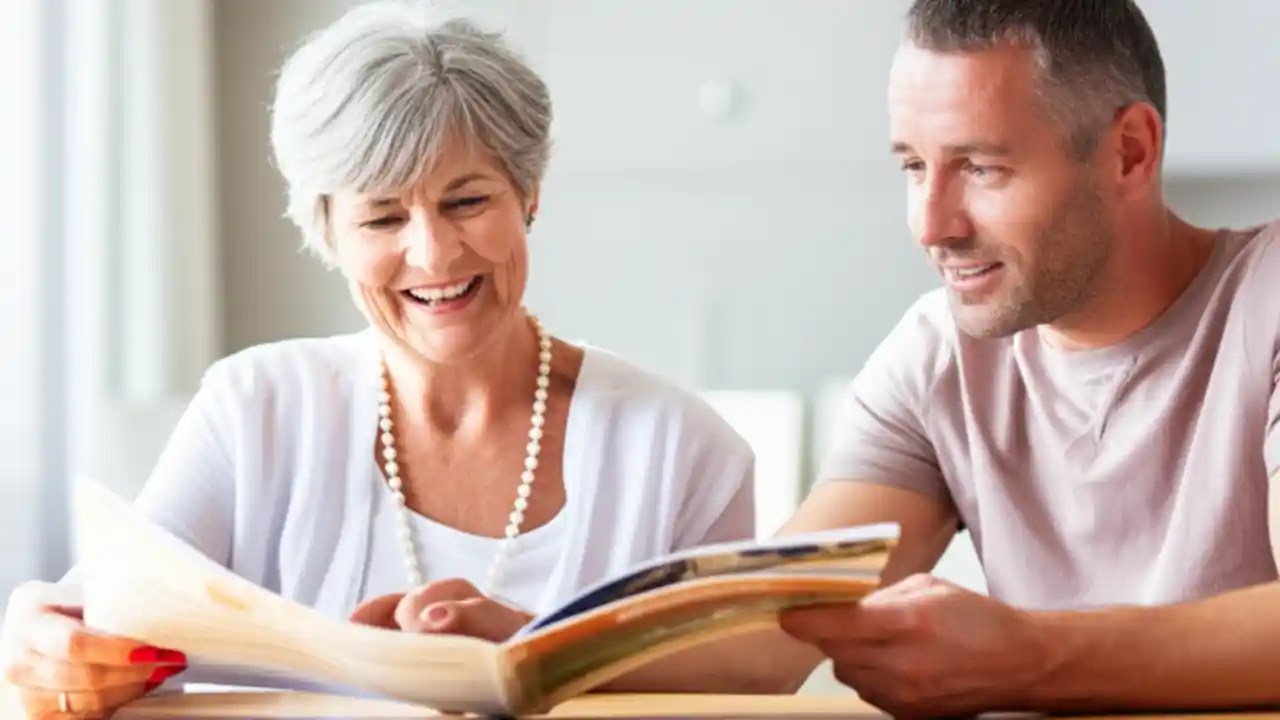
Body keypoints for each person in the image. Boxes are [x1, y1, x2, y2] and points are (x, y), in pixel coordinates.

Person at [386, 0, 1280, 715]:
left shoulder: (1266, 301)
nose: (931, 225)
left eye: (981, 168)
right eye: (911, 166)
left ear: (1129, 151)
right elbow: (777, 632)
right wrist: (534, 645)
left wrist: (1030, 658)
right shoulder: (939, 359)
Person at [0, 3, 757, 718]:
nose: (432, 252)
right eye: (382, 216)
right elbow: (105, 614)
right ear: (327, 233)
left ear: (529, 193)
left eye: (467, 202)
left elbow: (747, 685)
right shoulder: (253, 410)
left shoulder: (683, 450)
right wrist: (49, 641)